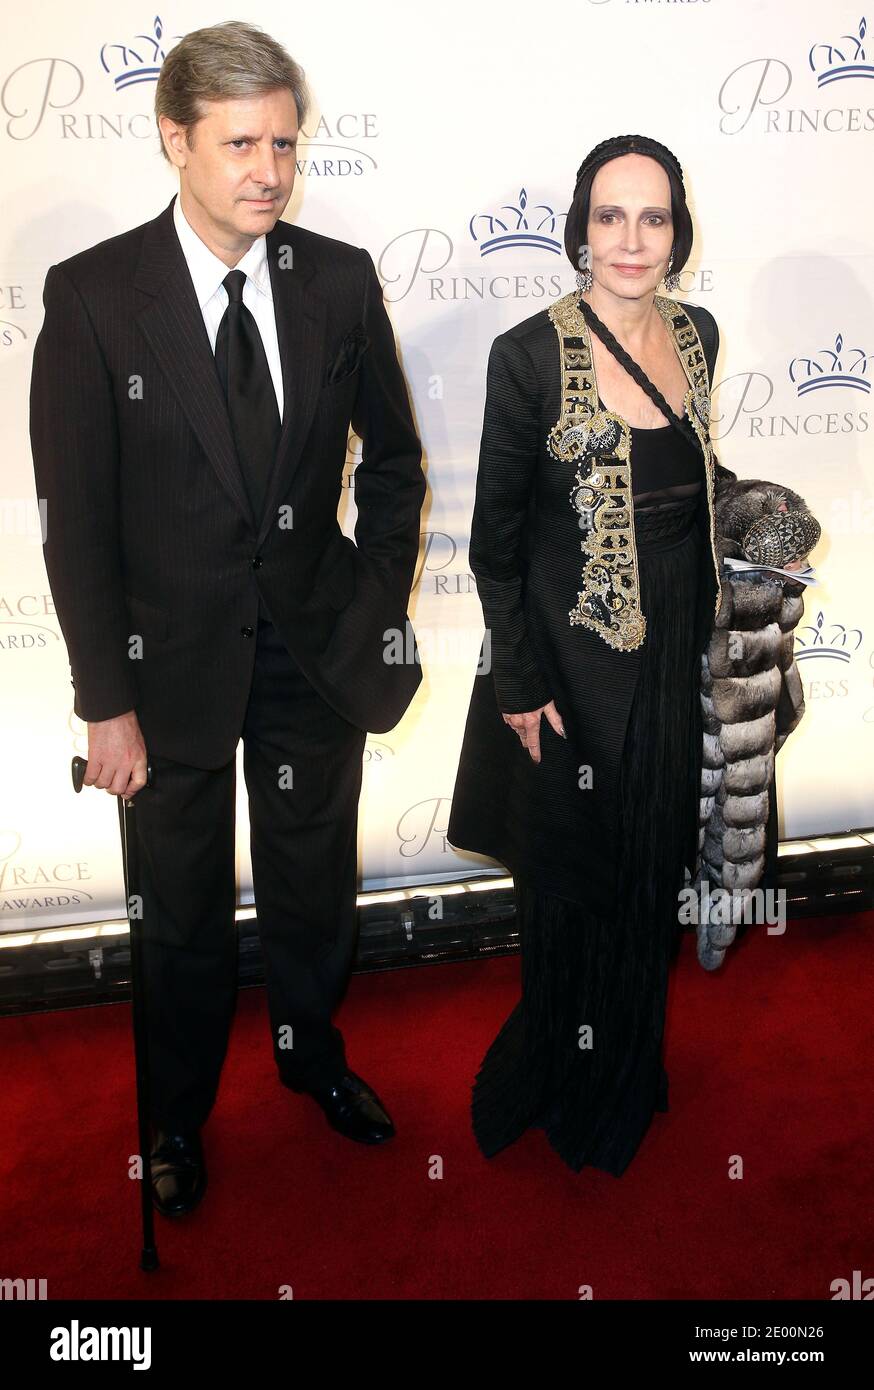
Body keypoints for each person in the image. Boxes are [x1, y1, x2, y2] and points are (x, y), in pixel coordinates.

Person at [29, 21, 425, 1216]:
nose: (269, 169)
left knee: (315, 890)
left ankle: (312, 1059)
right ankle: (173, 1121)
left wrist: (371, 602)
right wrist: (107, 700)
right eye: (241, 142)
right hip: (167, 674)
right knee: (182, 917)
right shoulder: (96, 297)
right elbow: (75, 520)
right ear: (175, 142)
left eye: (285, 145)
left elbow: (396, 462)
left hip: (312, 655)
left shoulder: (338, 278)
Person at [447, 133, 802, 1176]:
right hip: (567, 667)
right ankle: (561, 1068)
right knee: (569, 884)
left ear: (677, 231)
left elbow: (691, 471)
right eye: (611, 215)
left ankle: (624, 1072)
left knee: (651, 870)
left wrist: (757, 518)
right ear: (579, 228)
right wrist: (517, 680)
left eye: (653, 217)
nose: (632, 240)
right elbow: (494, 544)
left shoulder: (696, 334)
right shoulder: (524, 355)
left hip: (682, 648)